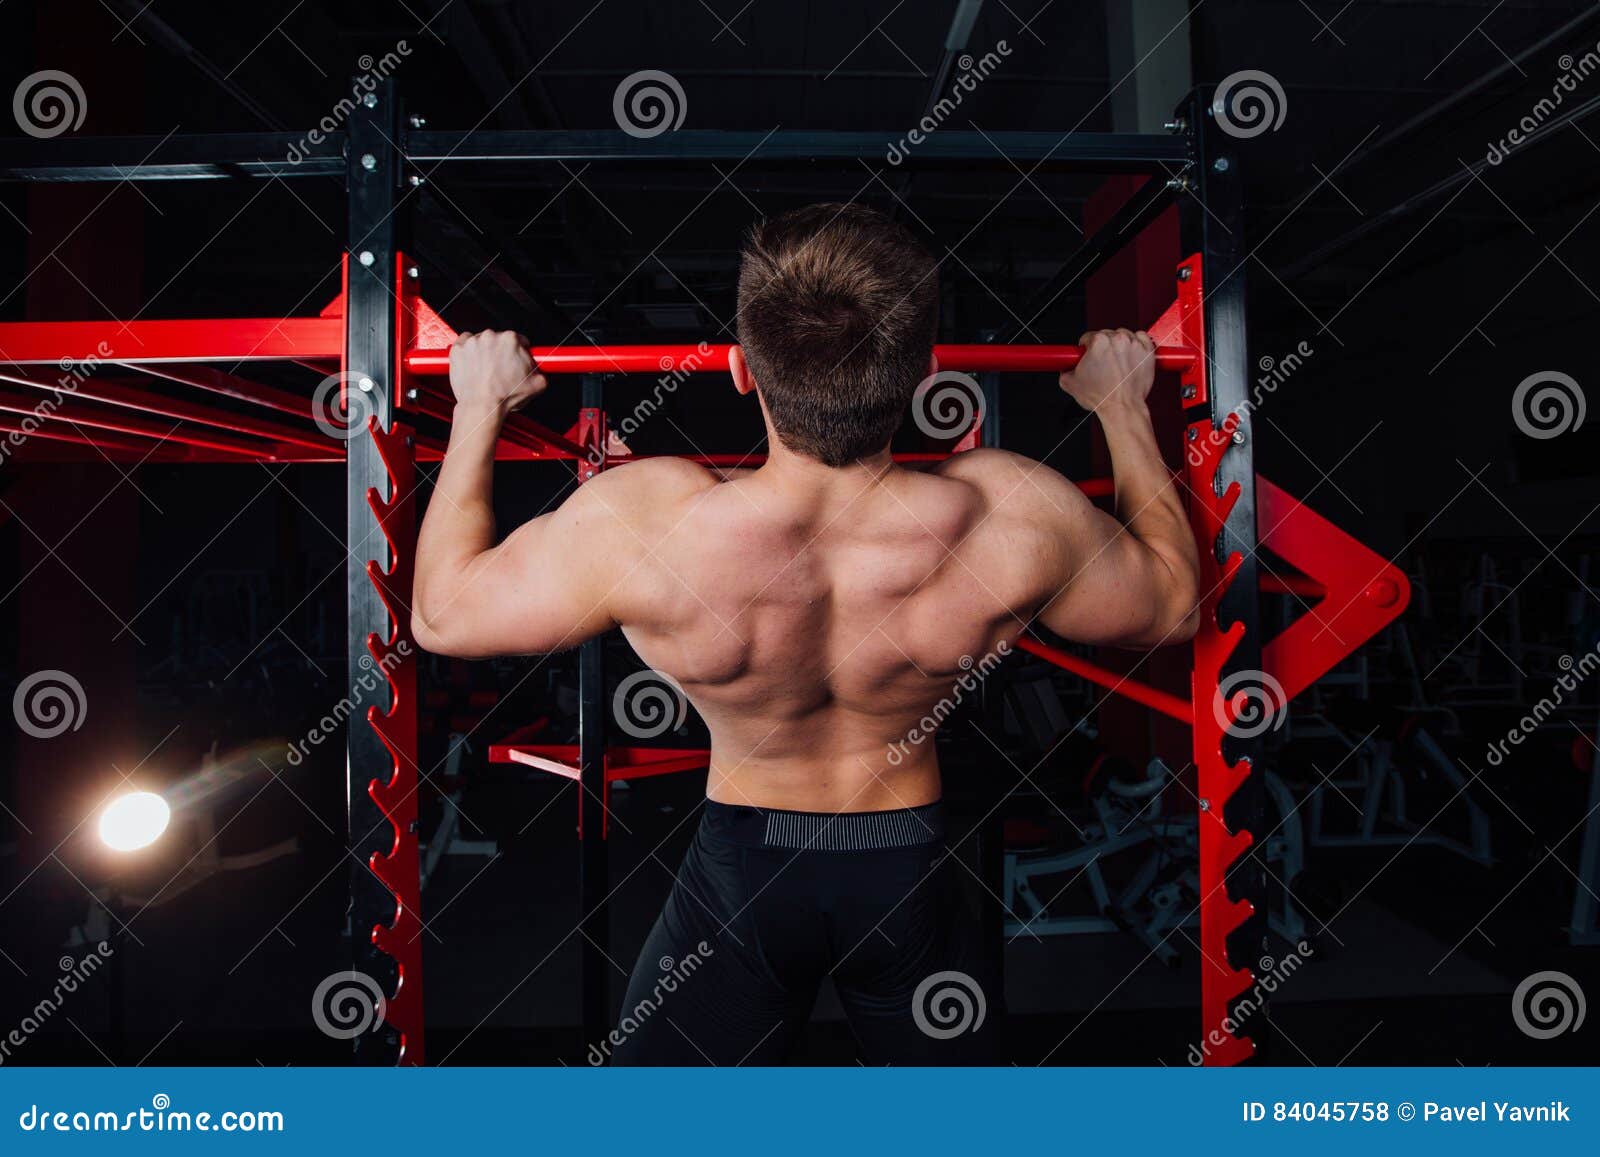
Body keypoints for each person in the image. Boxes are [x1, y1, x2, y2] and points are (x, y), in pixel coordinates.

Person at [412, 203, 1200, 1065]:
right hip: (908, 872)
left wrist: (477, 407)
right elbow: (1172, 605)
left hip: (741, 875)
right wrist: (1124, 408)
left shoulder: (648, 524)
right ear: (925, 372)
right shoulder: (1006, 514)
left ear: (744, 373)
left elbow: (442, 615)